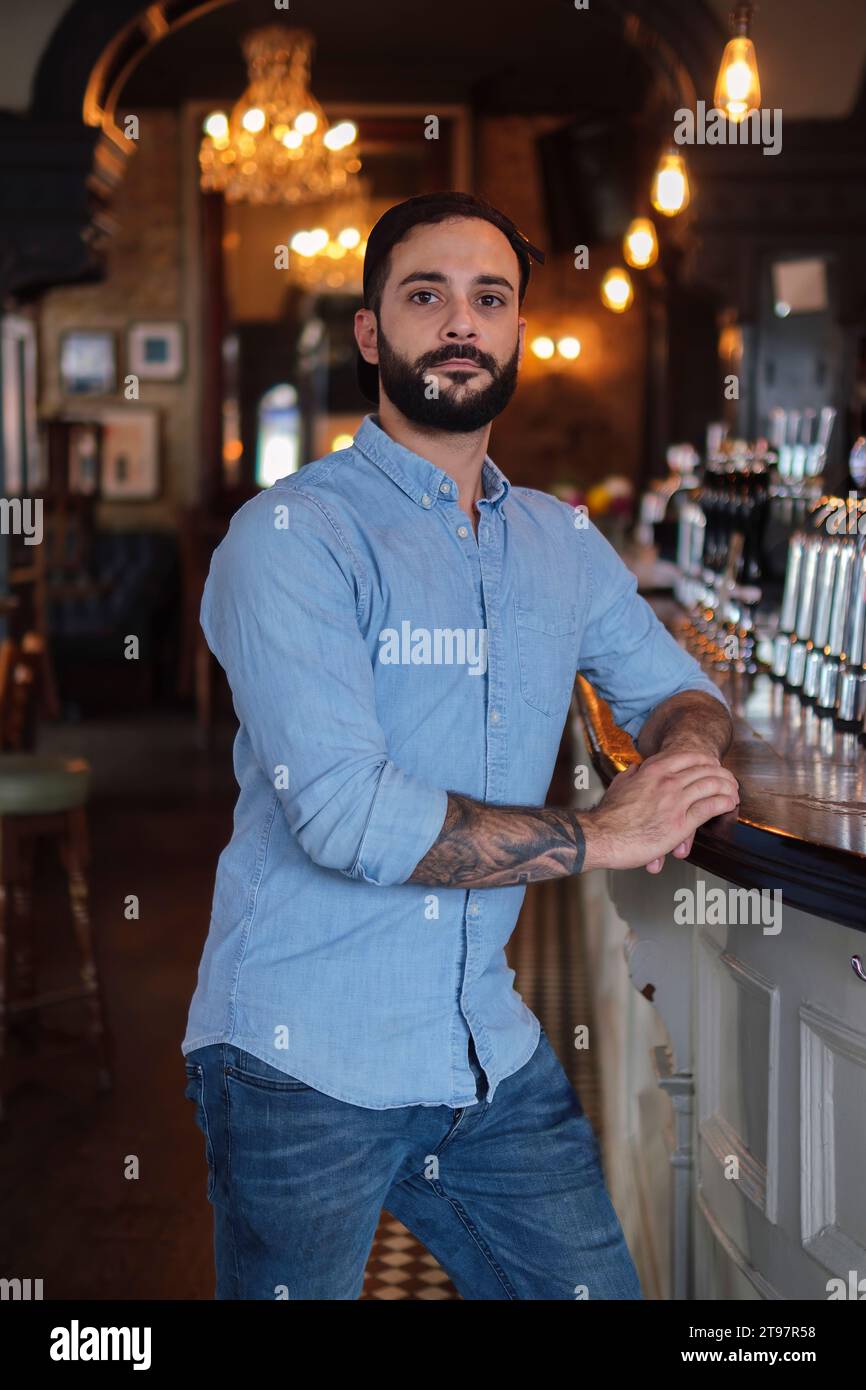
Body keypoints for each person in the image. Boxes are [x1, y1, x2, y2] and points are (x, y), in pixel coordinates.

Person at [181, 190, 738, 1300]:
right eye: (424, 294)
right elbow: (346, 814)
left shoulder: (557, 539)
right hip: (298, 1061)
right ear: (370, 331)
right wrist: (597, 834)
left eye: (488, 298)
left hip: (482, 1046)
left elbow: (678, 684)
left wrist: (681, 754)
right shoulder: (290, 538)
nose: (459, 323)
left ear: (517, 330)